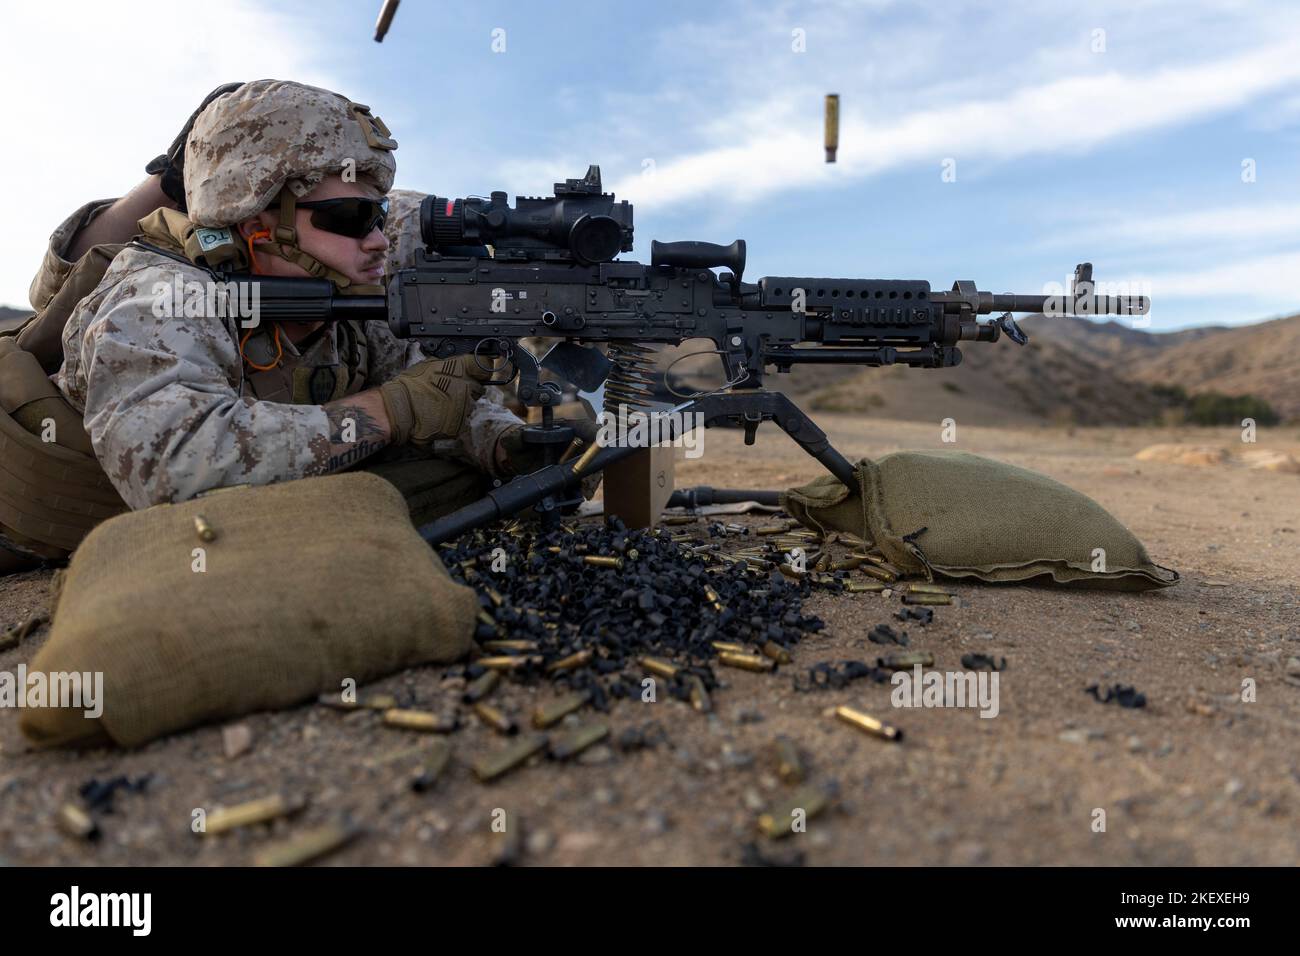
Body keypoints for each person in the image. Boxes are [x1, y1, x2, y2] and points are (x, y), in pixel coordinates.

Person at [0, 79, 594, 576]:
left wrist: (501, 441)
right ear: (256, 221)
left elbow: (430, 395)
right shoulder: (159, 295)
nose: (379, 241)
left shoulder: (346, 298)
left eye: (380, 216)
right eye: (351, 217)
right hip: (31, 527)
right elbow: (182, 470)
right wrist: (386, 413)